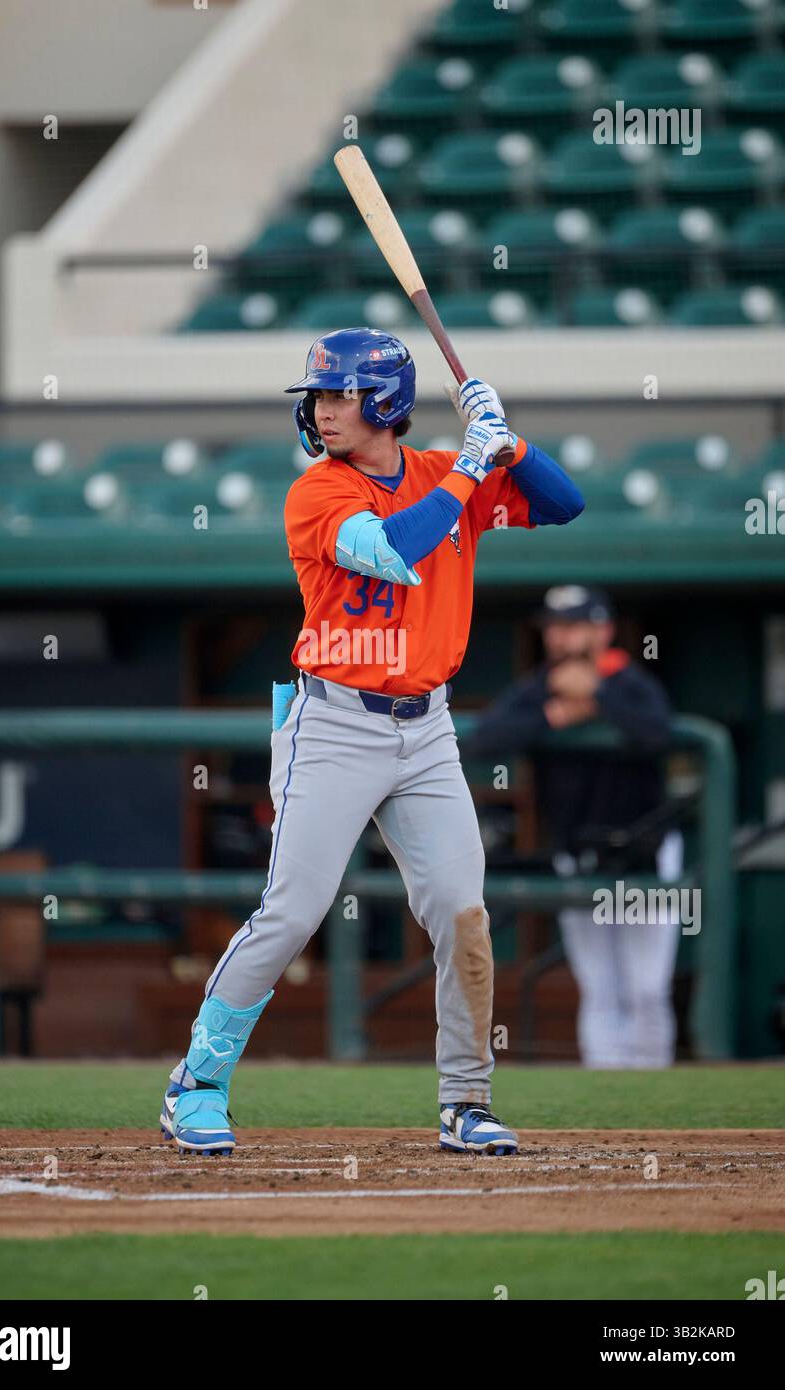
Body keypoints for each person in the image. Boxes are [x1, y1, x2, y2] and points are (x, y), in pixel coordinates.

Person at [160, 327, 584, 1156]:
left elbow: (565, 503)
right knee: (291, 913)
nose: (321, 410)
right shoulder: (317, 492)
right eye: (316, 396)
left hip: (427, 731)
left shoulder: (436, 473)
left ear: (384, 402)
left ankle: (466, 1100)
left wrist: (511, 443)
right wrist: (472, 466)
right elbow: (394, 551)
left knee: (464, 915)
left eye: (337, 394)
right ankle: (196, 1085)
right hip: (335, 722)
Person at [468, 585, 682, 1069]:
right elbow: (485, 739)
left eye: (575, 626)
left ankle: (651, 1096)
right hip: (577, 852)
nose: (564, 638)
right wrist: (550, 715)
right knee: (599, 986)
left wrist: (598, 696)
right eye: (556, 629)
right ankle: (607, 1096)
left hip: (642, 850)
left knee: (646, 987)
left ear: (602, 630)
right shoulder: (539, 688)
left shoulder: (628, 680)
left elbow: (658, 732)